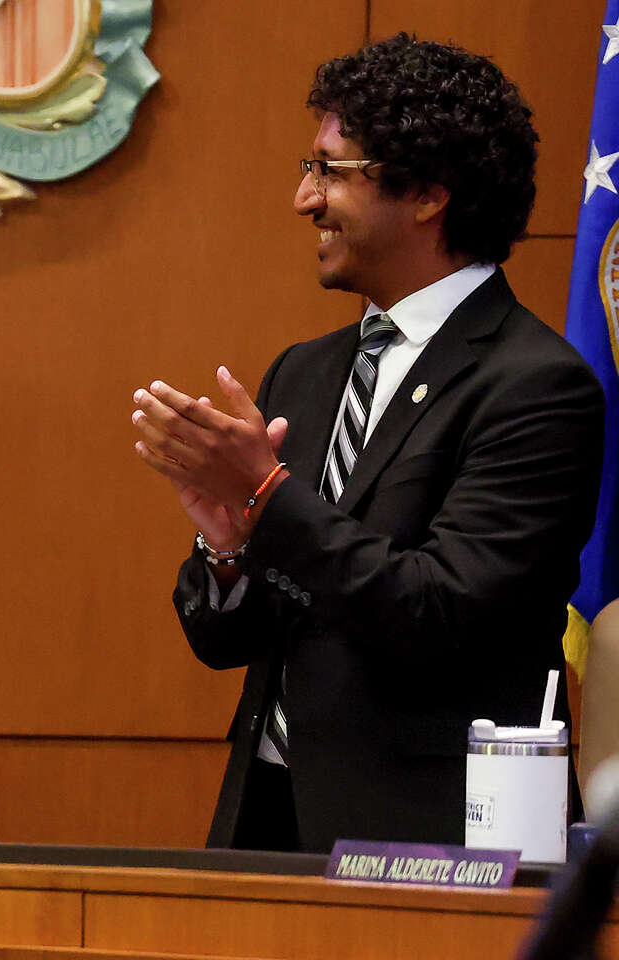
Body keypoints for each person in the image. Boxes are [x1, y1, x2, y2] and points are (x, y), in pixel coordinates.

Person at [130, 35, 605, 852]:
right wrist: (228, 552)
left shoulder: (537, 385)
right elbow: (226, 642)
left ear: (426, 193)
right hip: (266, 826)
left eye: (328, 171)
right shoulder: (304, 373)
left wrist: (274, 501)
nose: (303, 200)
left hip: (432, 847)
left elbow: (438, 612)